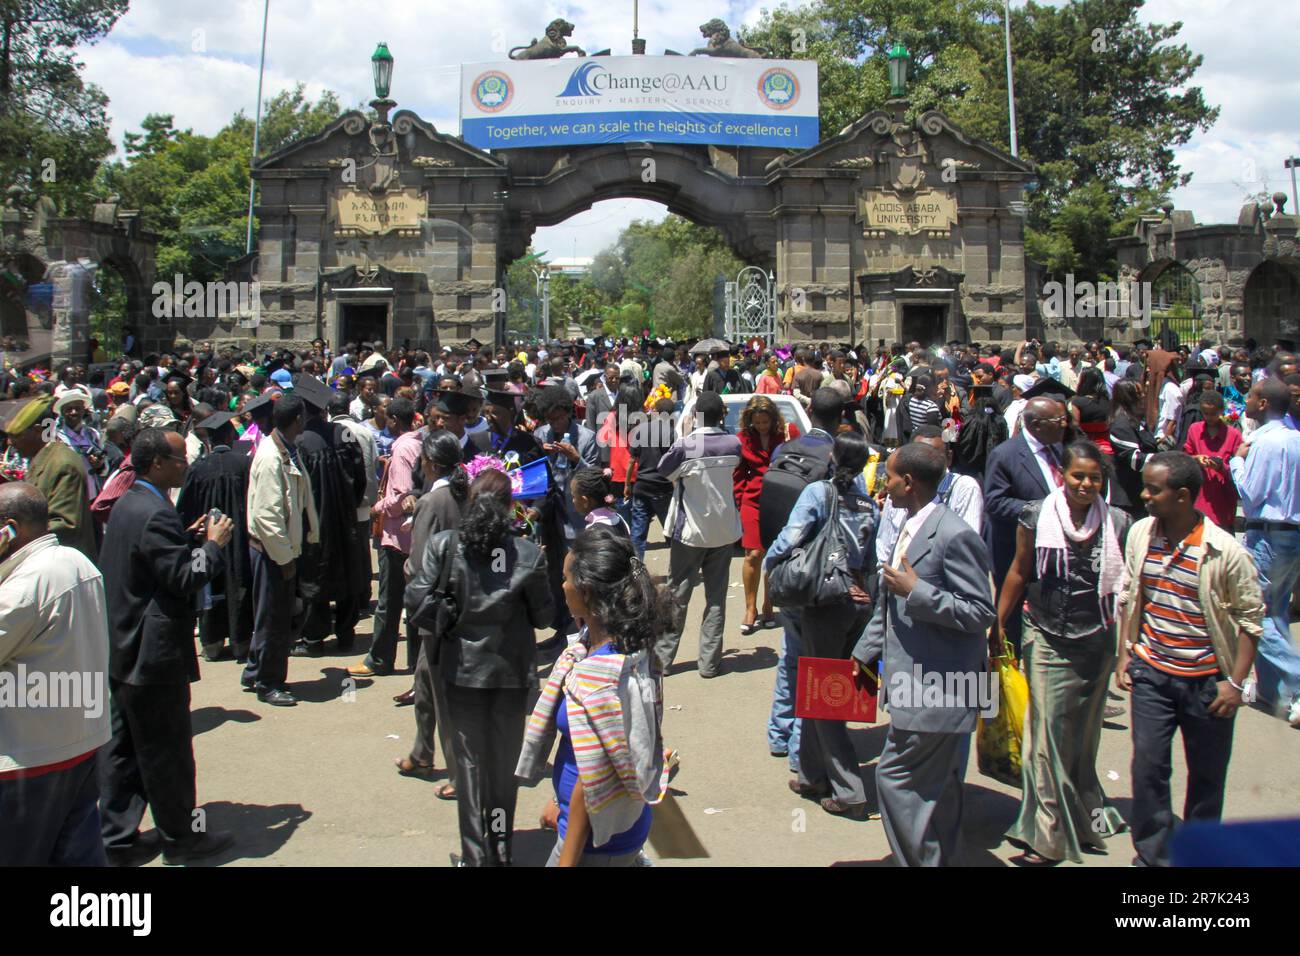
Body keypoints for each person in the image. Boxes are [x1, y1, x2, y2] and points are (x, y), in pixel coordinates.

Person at [851, 443, 997, 866]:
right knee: (941, 789)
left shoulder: (954, 534)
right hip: (919, 681)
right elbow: (890, 606)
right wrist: (864, 655)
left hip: (939, 689)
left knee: (894, 778)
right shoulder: (909, 523)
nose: (884, 484)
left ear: (909, 482)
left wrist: (919, 591)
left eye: (890, 477)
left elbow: (979, 612)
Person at [1116, 452, 1263, 866]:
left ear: (1183, 496)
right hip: (1152, 675)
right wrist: (1124, 655)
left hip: (1206, 685)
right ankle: (1153, 855)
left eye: (1153, 488)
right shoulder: (1141, 534)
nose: (1143, 494)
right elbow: (1131, 595)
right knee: (1147, 770)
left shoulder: (1225, 552)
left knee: (1207, 777)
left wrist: (1233, 684)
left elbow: (1251, 622)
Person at [99, 428, 236, 865]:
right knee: (168, 753)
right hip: (152, 656)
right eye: (180, 459)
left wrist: (185, 535)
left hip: (123, 649)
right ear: (157, 463)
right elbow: (183, 577)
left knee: (126, 751)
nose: (187, 465)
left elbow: (155, 563)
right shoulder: (153, 513)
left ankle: (117, 838)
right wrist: (213, 546)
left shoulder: (130, 504)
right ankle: (183, 837)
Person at [404, 469, 554, 866]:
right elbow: (544, 617)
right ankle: (501, 850)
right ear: (510, 507)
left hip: (460, 674)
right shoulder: (528, 555)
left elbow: (415, 598)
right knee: (504, 770)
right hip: (510, 677)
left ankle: (474, 857)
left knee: (469, 773)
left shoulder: (444, 547)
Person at [997, 441, 1132, 865]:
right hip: (1046, 635)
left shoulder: (1121, 524)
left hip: (1097, 642)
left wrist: (1126, 649)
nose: (1086, 484)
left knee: (1080, 742)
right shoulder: (1035, 517)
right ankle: (1048, 837)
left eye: (1094, 478)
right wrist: (998, 623)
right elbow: (1020, 571)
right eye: (1079, 476)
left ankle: (1082, 819)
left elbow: (1128, 592)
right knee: (1046, 739)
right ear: (1062, 476)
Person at [516, 526, 672, 866]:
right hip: (616, 824)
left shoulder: (599, 677)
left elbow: (592, 781)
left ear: (584, 591)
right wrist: (558, 804)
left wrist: (566, 859)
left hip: (594, 841)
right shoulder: (622, 644)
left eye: (565, 579)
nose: (562, 586)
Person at [766, 431, 878, 817]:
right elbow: (873, 557)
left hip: (825, 601)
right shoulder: (869, 504)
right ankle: (813, 773)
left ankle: (849, 789)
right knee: (827, 685)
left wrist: (769, 564)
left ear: (832, 458)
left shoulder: (819, 493)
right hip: (859, 605)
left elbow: (791, 536)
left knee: (826, 692)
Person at [0, 483, 111, 866]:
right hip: (81, 744)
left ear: (10, 528)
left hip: (30, 757)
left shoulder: (24, 587)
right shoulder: (77, 562)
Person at [396, 430, 468, 796]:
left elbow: (419, 564)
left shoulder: (432, 502)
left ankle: (460, 775)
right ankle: (421, 752)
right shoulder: (462, 493)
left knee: (442, 693)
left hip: (438, 610)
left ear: (429, 462)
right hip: (458, 603)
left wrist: (411, 583)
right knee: (425, 682)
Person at [653, 391, 742, 679]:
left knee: (677, 595)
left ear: (696, 416)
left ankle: (663, 662)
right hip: (724, 531)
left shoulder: (686, 445)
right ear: (722, 415)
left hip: (689, 532)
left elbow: (664, 471)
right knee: (716, 598)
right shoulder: (733, 444)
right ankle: (710, 663)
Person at [1228, 379, 1300, 724]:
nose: (1247, 399)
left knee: (1256, 615)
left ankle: (1296, 683)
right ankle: (1271, 690)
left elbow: (1251, 493)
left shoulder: (1263, 442)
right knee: (1276, 611)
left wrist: (1236, 463)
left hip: (1268, 534)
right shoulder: (1295, 438)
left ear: (1265, 403)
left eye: (1252, 396)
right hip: (1292, 535)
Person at [243, 394, 319, 706]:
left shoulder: (286, 449)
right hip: (272, 551)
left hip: (282, 546)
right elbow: (267, 515)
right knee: (274, 618)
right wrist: (285, 557)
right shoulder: (271, 457)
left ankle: (254, 670)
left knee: (269, 614)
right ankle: (268, 682)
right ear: (298, 419)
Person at [984, 396, 1068, 653]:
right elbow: (995, 503)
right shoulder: (1006, 454)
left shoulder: (1059, 450)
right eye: (1058, 420)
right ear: (1036, 424)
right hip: (1015, 552)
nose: (1064, 424)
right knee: (1011, 623)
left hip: (1051, 550)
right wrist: (1042, 510)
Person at [292, 377, 368, 656]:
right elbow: (360, 476)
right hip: (344, 516)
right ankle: (346, 633)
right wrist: (349, 504)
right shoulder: (343, 434)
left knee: (316, 573)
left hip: (313, 520)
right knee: (346, 570)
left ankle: (314, 639)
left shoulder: (300, 442)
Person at [351, 397, 421, 678]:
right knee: (412, 602)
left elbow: (402, 493)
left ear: (393, 420)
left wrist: (378, 507)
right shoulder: (416, 443)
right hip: (412, 536)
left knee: (389, 602)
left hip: (397, 536)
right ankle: (415, 663)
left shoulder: (403, 447)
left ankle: (379, 659)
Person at [175, 411, 254, 663]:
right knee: (239, 582)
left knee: (207, 583)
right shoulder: (244, 464)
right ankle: (242, 640)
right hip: (239, 537)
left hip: (205, 540)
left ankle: (212, 642)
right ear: (232, 436)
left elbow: (184, 510)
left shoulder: (197, 469)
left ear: (208, 439)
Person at [532, 385, 599, 644]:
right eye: (551, 419)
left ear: (568, 413)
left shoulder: (586, 437)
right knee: (553, 576)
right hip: (549, 518)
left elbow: (593, 478)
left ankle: (581, 631)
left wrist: (575, 459)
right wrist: (541, 456)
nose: (556, 424)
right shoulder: (540, 435)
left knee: (576, 576)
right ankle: (562, 629)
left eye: (560, 418)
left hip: (576, 519)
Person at [1, 396, 96, 560]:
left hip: (58, 565)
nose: (10, 442)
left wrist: (11, 535)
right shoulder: (41, 459)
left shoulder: (63, 464)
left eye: (16, 436)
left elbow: (65, 524)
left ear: (38, 431)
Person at [735, 395, 786, 633]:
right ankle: (750, 607)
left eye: (765, 422)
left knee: (773, 556)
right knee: (753, 554)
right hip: (752, 501)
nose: (762, 426)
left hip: (778, 500)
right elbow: (738, 475)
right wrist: (738, 502)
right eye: (757, 422)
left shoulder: (785, 437)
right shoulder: (742, 440)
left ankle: (768, 604)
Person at [1180, 390, 1242, 530]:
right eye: (1205, 413)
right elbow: (1185, 458)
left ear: (1221, 411)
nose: (1209, 417)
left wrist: (1221, 467)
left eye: (1213, 414)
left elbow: (1239, 469)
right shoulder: (1194, 430)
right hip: (1199, 496)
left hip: (1222, 500)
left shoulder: (1234, 435)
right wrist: (1196, 459)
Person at [627, 397, 676, 560]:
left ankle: (636, 570)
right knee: (671, 532)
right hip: (662, 488)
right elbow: (673, 463)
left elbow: (632, 460)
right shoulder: (670, 432)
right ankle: (677, 571)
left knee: (638, 533)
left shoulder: (641, 429)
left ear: (656, 411)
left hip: (641, 486)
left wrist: (628, 485)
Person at [1108, 379, 1158, 518]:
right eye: (1138, 393)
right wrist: (1166, 459)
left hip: (1140, 491)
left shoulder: (1136, 421)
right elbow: (1135, 460)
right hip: (1127, 497)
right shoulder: (1120, 425)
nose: (1143, 396)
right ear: (1128, 397)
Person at [571, 466, 631, 538]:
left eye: (574, 496)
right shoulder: (619, 518)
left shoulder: (592, 535)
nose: (573, 501)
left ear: (585, 501)